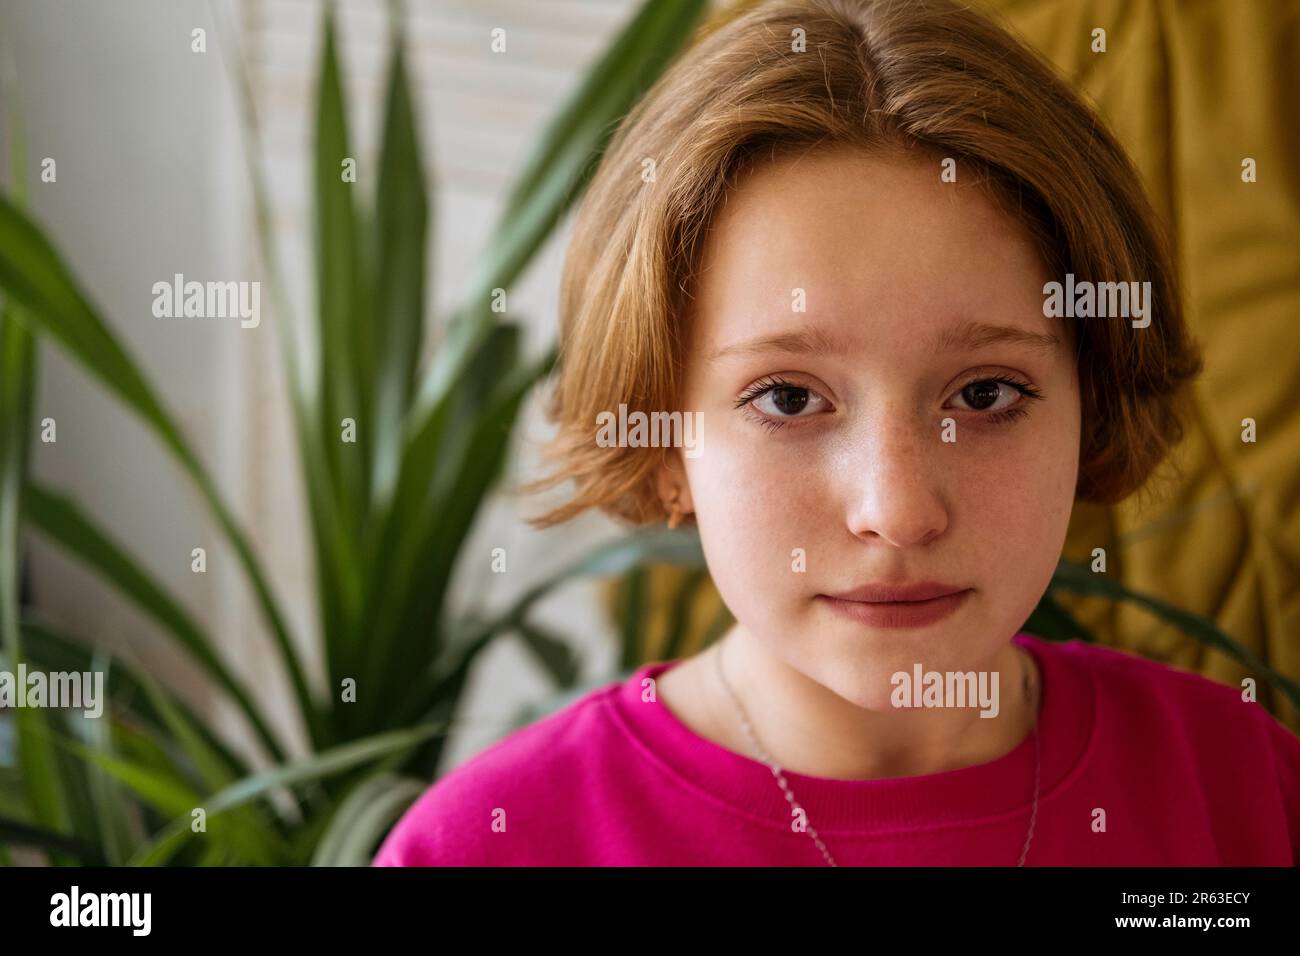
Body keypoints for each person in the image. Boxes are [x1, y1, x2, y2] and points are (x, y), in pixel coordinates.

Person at [373, 0, 1299, 866]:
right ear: (663, 445)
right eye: (785, 399)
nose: (897, 511)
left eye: (984, 394)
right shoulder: (490, 844)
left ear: (1092, 402)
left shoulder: (1245, 790)